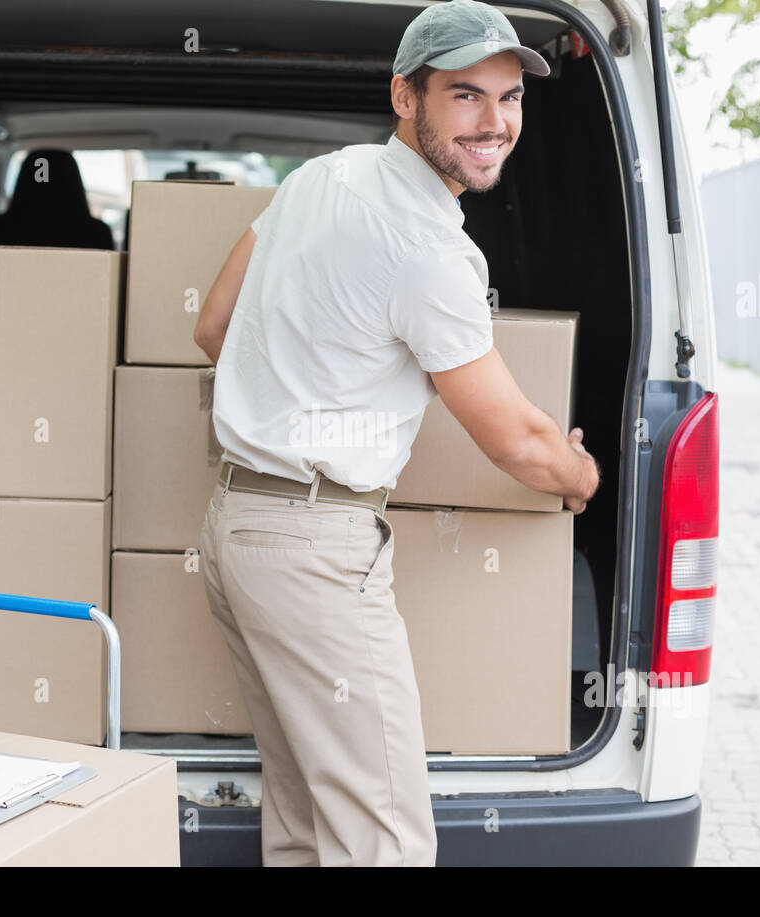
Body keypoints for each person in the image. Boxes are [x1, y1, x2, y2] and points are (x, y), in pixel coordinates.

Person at [192, 0, 601, 867]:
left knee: (307, 822)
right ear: (404, 97)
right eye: (464, 96)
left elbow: (213, 327)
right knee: (382, 840)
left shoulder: (318, 179)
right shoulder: (429, 248)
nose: (494, 123)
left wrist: (316, 371)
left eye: (509, 99)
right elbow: (516, 442)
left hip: (237, 526)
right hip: (311, 548)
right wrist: (579, 474)